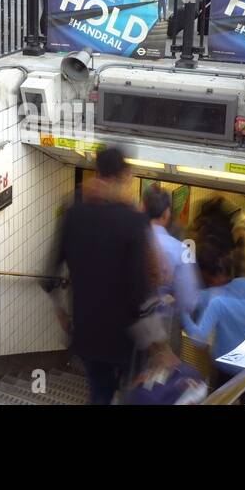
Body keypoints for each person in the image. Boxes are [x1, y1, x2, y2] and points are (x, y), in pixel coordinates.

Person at [53, 149, 177, 404]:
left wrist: (62, 314)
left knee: (99, 392)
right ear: (123, 177)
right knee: (131, 391)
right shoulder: (133, 221)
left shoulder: (73, 215)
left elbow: (50, 274)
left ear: (97, 173)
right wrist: (160, 345)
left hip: (86, 332)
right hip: (126, 338)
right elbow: (141, 290)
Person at [181, 199, 245, 389]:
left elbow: (198, 340)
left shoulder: (218, 303)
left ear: (210, 274)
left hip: (227, 368)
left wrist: (183, 312)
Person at [142, 185, 200, 354]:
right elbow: (189, 301)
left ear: (142, 209)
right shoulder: (181, 250)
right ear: (167, 214)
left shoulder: (129, 242)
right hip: (164, 328)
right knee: (162, 377)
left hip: (128, 326)